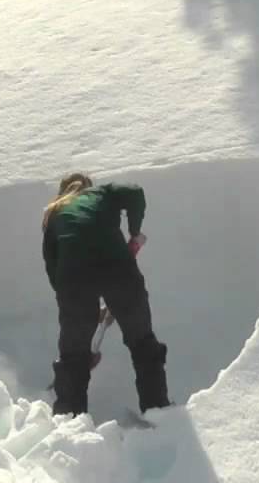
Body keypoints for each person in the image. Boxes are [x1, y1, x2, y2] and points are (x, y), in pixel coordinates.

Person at [41, 173, 170, 416]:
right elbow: (134, 191)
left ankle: (69, 420)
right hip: (118, 269)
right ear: (88, 187)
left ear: (62, 191)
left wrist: (79, 313)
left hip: (74, 280)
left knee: (73, 357)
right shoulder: (101, 193)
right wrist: (134, 232)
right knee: (142, 342)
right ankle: (158, 411)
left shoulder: (55, 212)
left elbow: (53, 268)